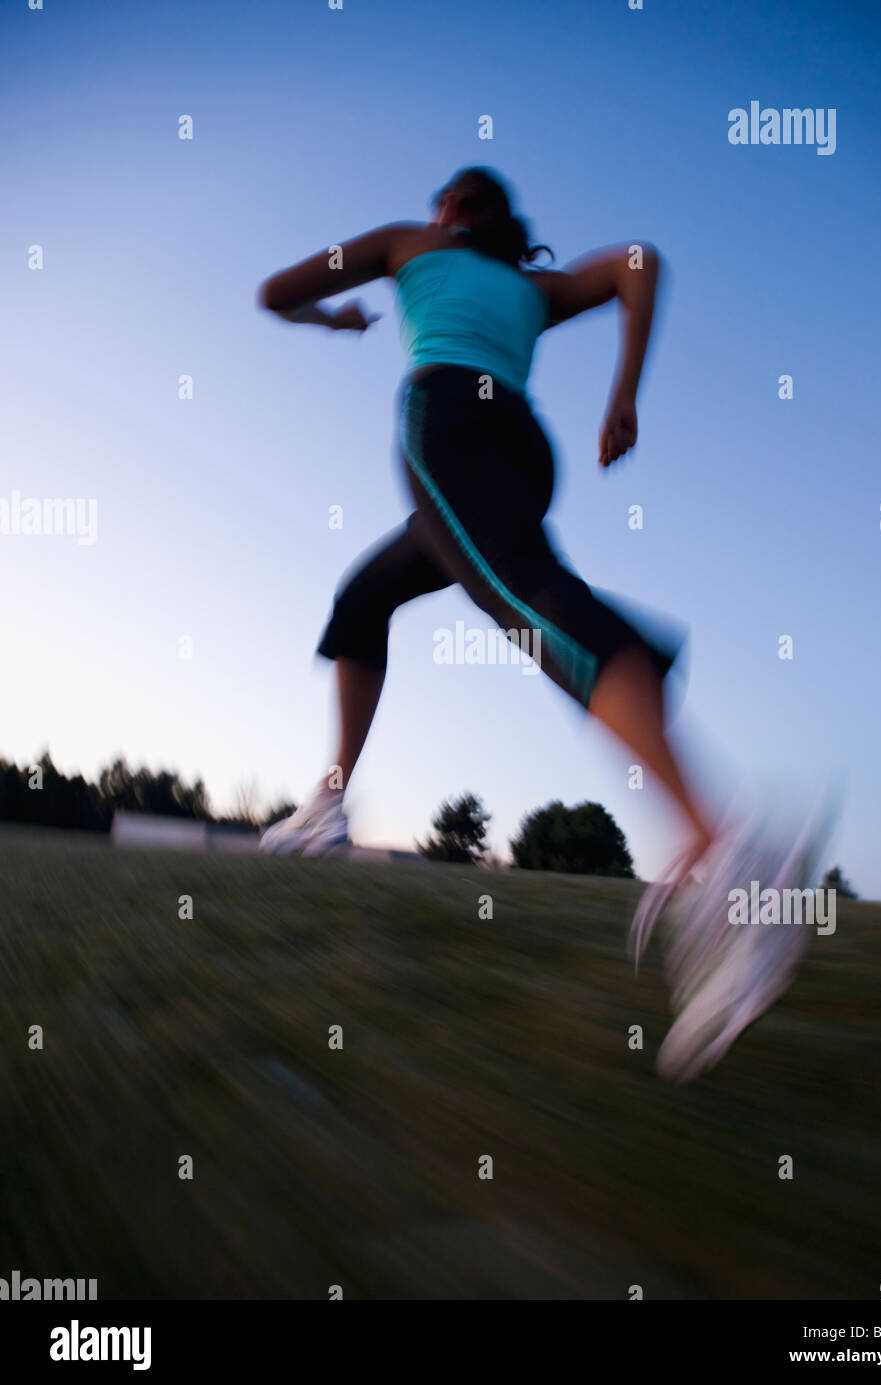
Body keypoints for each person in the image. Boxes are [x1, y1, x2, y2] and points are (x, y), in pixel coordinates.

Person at [255, 167, 828, 1081]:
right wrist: (623, 393)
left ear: (448, 210)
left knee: (526, 601)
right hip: (521, 452)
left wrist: (339, 319)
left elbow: (277, 292)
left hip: (449, 421)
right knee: (367, 600)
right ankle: (329, 803)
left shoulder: (410, 245)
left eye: (447, 201)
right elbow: (639, 261)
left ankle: (728, 852)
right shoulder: (532, 287)